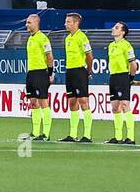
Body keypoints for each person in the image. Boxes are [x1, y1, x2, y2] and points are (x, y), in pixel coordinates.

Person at [60, 12, 94, 143]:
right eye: (66, 21)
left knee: (83, 101)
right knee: (72, 102)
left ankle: (87, 135)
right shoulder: (67, 38)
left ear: (75, 23)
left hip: (80, 71)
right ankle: (72, 134)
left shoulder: (82, 37)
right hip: (69, 72)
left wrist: (88, 71)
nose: (65, 24)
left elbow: (89, 56)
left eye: (68, 22)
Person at [107, 22, 139, 145]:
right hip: (113, 77)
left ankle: (130, 137)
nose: (113, 29)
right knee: (115, 107)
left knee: (125, 104)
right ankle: (118, 136)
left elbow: (133, 64)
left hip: (122, 76)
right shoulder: (111, 46)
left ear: (123, 32)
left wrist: (130, 77)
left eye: (116, 28)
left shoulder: (127, 46)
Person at [24, 12, 54, 141]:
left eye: (29, 22)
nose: (27, 24)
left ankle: (46, 133)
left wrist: (50, 73)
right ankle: (35, 132)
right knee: (33, 102)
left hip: (41, 73)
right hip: (31, 73)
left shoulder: (43, 38)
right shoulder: (30, 38)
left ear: (36, 23)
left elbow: (50, 57)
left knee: (43, 102)